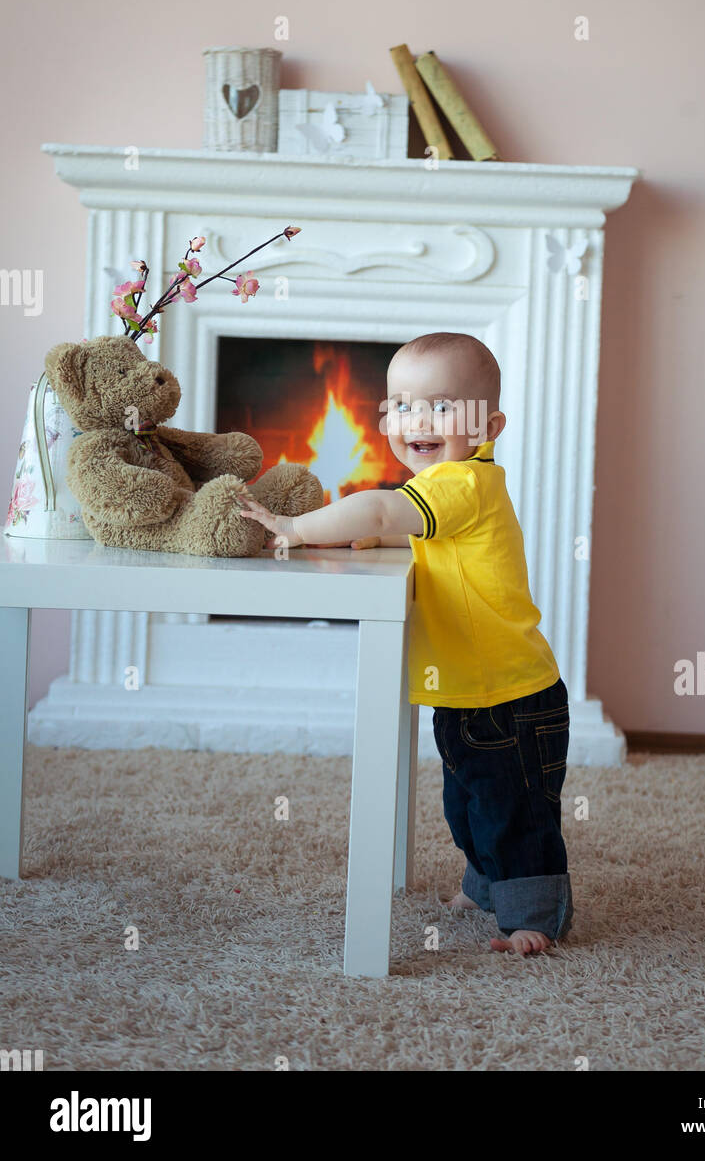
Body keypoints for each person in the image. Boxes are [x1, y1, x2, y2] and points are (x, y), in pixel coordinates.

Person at [236, 331, 573, 955]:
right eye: (402, 405)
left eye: (442, 406)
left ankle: (533, 915)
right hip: (470, 692)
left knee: (515, 810)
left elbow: (382, 510)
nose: (418, 420)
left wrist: (294, 527)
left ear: (489, 427)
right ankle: (486, 884)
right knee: (469, 804)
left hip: (511, 698)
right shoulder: (452, 491)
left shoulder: (462, 483)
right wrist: (383, 540)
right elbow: (420, 536)